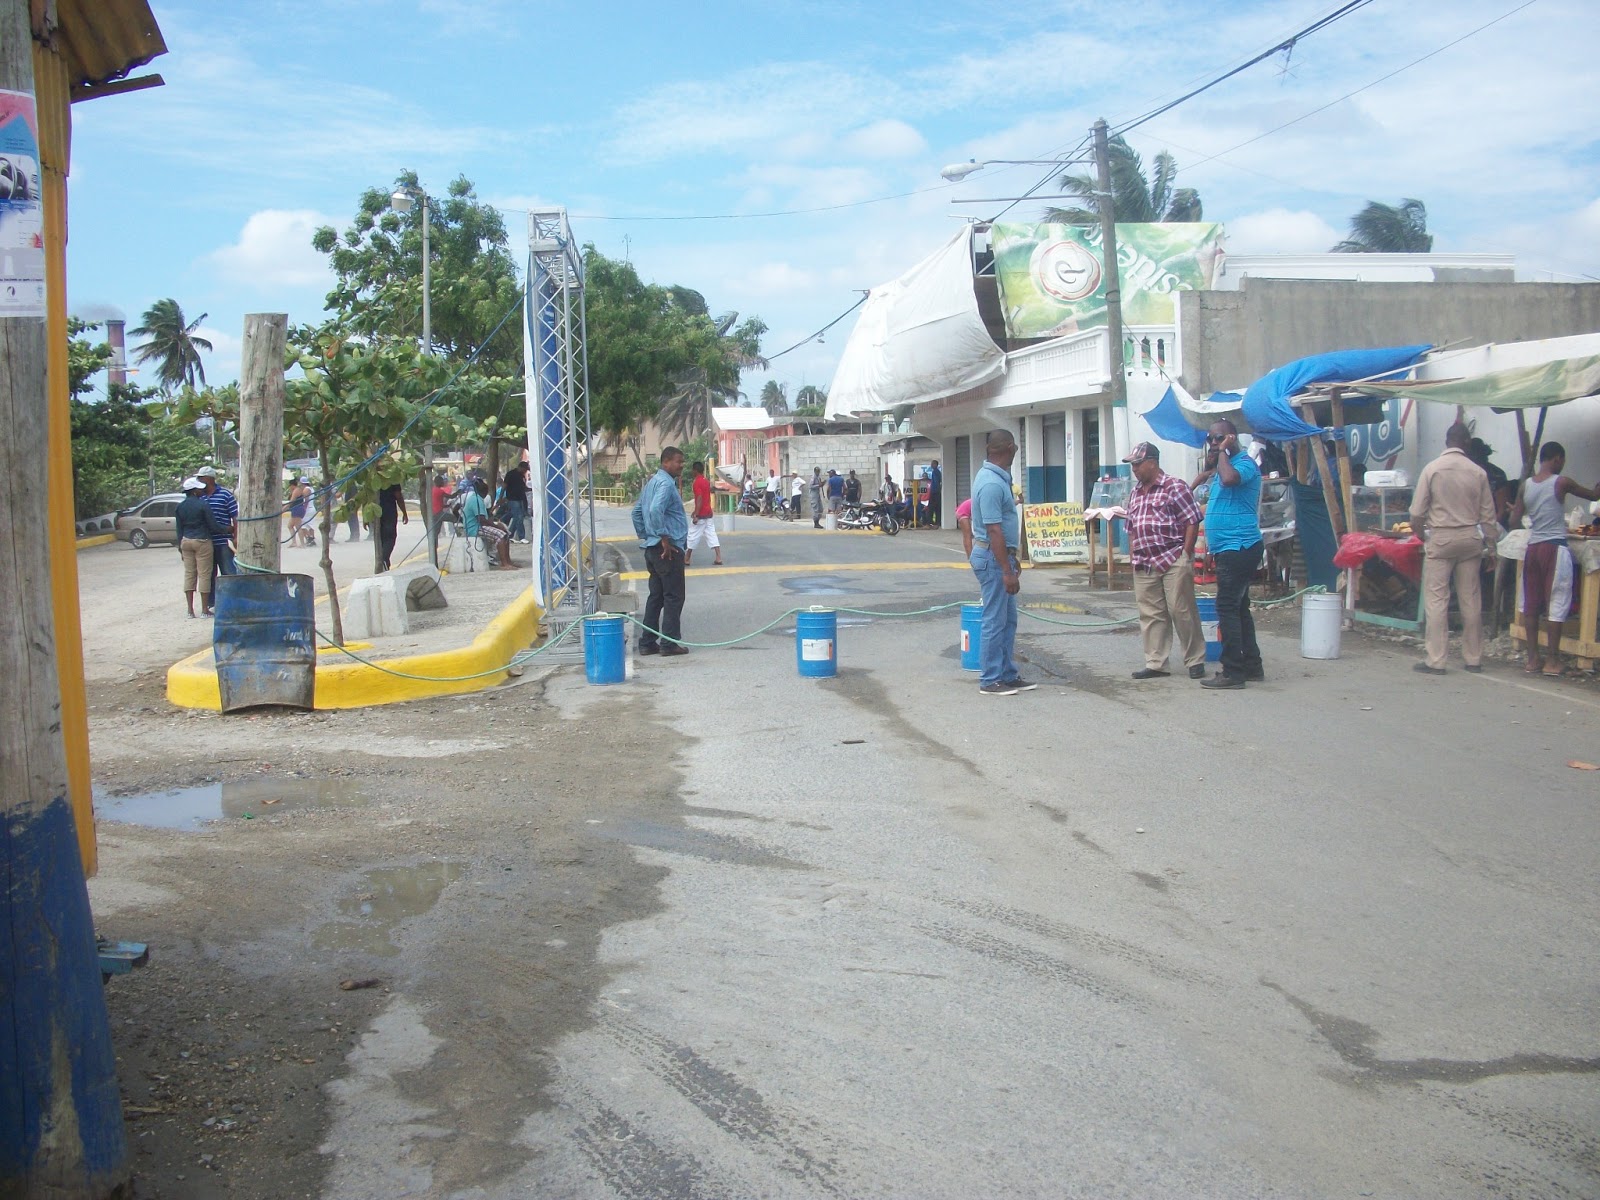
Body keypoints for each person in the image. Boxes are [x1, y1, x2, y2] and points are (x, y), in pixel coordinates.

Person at [1407, 424, 1498, 675]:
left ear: (1446, 441)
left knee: (1437, 600)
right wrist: (1492, 547)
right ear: (1466, 443)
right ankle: (1473, 658)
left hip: (1441, 538)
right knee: (1471, 599)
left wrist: (1420, 533)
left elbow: (1416, 512)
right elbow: (1488, 516)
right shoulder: (1478, 472)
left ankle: (1436, 660)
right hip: (1470, 538)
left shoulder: (1432, 469)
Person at [1509, 441, 1600, 677]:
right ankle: (1552, 661)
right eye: (1563, 461)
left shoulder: (1525, 486)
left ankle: (1532, 659)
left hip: (1533, 548)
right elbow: (1592, 495)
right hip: (1555, 548)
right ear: (1557, 459)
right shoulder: (1561, 482)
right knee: (1556, 603)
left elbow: (1513, 521)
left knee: (1530, 605)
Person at [1122, 443, 1207, 681]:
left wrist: (1186, 554)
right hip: (1144, 561)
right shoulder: (1135, 492)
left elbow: (1192, 520)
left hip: (1171, 557)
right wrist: (1132, 554)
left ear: (1153, 462)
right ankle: (1156, 662)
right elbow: (1131, 527)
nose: (1135, 469)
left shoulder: (1174, 487)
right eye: (1132, 465)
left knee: (1181, 610)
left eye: (1138, 464)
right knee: (1151, 614)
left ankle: (1195, 659)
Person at [1192, 419, 1264, 689]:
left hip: (1240, 546)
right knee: (1239, 608)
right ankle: (1251, 665)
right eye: (1211, 439)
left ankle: (1233, 671)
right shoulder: (1222, 469)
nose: (1213, 443)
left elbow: (1230, 479)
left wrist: (1223, 452)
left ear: (1232, 438)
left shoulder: (1244, 465)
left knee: (1227, 608)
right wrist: (1212, 546)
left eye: (1219, 438)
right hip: (1227, 548)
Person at [969, 430, 1034, 696]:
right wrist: (1006, 570)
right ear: (1009, 448)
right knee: (995, 619)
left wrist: (1011, 558)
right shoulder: (992, 484)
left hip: (1000, 556)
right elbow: (994, 530)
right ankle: (990, 679)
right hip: (992, 558)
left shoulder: (997, 479)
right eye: (1015, 446)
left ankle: (1007, 673)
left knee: (1008, 620)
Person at [632, 446, 689, 656]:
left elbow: (637, 513)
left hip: (652, 549)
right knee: (673, 596)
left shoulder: (652, 483)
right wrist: (663, 538)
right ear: (665, 462)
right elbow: (656, 509)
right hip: (668, 549)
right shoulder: (665, 483)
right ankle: (669, 643)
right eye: (678, 461)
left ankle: (647, 642)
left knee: (656, 596)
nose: (681, 466)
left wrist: (647, 537)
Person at [176, 477, 226, 618]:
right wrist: (227, 529)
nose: (201, 490)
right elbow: (213, 526)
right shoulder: (203, 505)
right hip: (202, 541)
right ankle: (204, 610)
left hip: (186, 541)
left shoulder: (180, 507)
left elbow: (179, 529)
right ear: (194, 491)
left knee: (189, 574)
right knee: (204, 574)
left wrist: (180, 547)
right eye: (199, 489)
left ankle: (190, 611)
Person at [197, 467, 237, 588]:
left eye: (201, 478)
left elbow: (235, 517)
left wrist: (236, 536)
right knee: (209, 574)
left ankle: (233, 598)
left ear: (209, 479)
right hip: (206, 542)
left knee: (228, 571)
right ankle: (211, 602)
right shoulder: (199, 496)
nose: (198, 480)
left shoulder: (225, 495)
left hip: (223, 542)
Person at [463, 478, 515, 569]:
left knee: (506, 532)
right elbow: (481, 520)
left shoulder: (476, 498)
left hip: (479, 525)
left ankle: (508, 561)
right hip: (474, 528)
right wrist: (496, 526)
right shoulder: (476, 500)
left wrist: (497, 524)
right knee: (501, 535)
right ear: (485, 492)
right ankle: (504, 563)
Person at [1467, 437, 1513, 529]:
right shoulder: (1464, 475)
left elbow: (1501, 511)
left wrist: (1489, 529)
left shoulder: (1496, 475)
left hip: (1495, 525)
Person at [685, 461, 723, 567]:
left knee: (692, 535)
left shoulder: (697, 482)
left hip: (701, 514)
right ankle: (718, 557)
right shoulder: (705, 481)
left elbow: (699, 498)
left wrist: (696, 514)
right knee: (712, 535)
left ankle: (687, 558)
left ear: (695, 470)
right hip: (708, 513)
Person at [377, 480, 408, 572]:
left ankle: (383, 561)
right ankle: (384, 561)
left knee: (381, 539)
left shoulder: (372, 478)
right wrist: (404, 512)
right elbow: (398, 496)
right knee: (390, 538)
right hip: (389, 513)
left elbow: (367, 498)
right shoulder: (392, 478)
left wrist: (366, 518)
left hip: (376, 514)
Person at [503, 461, 529, 543]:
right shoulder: (511, 474)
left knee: (516, 517)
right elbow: (504, 486)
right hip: (512, 498)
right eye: (525, 470)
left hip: (520, 498)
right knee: (519, 516)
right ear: (521, 467)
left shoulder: (522, 476)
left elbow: (523, 488)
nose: (525, 472)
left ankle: (510, 535)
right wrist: (501, 497)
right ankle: (521, 536)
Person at [429, 473, 450, 566]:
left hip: (435, 513)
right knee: (454, 518)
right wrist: (458, 493)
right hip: (438, 514)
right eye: (442, 481)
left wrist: (447, 505)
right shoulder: (439, 491)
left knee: (435, 534)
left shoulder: (433, 490)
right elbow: (451, 497)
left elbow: (438, 503)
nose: (443, 482)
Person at [287, 477, 312, 546]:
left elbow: (291, 502)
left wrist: (283, 509)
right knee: (290, 526)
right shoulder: (300, 490)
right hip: (298, 509)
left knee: (298, 527)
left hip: (297, 509)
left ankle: (302, 543)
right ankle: (294, 542)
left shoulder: (296, 490)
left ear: (292, 485)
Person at [928, 459, 943, 526]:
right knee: (937, 508)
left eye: (932, 464)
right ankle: (937, 521)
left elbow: (936, 482)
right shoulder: (936, 472)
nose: (931, 465)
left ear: (935, 465)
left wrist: (936, 490)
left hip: (935, 492)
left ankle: (930, 521)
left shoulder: (935, 472)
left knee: (931, 507)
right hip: (936, 492)